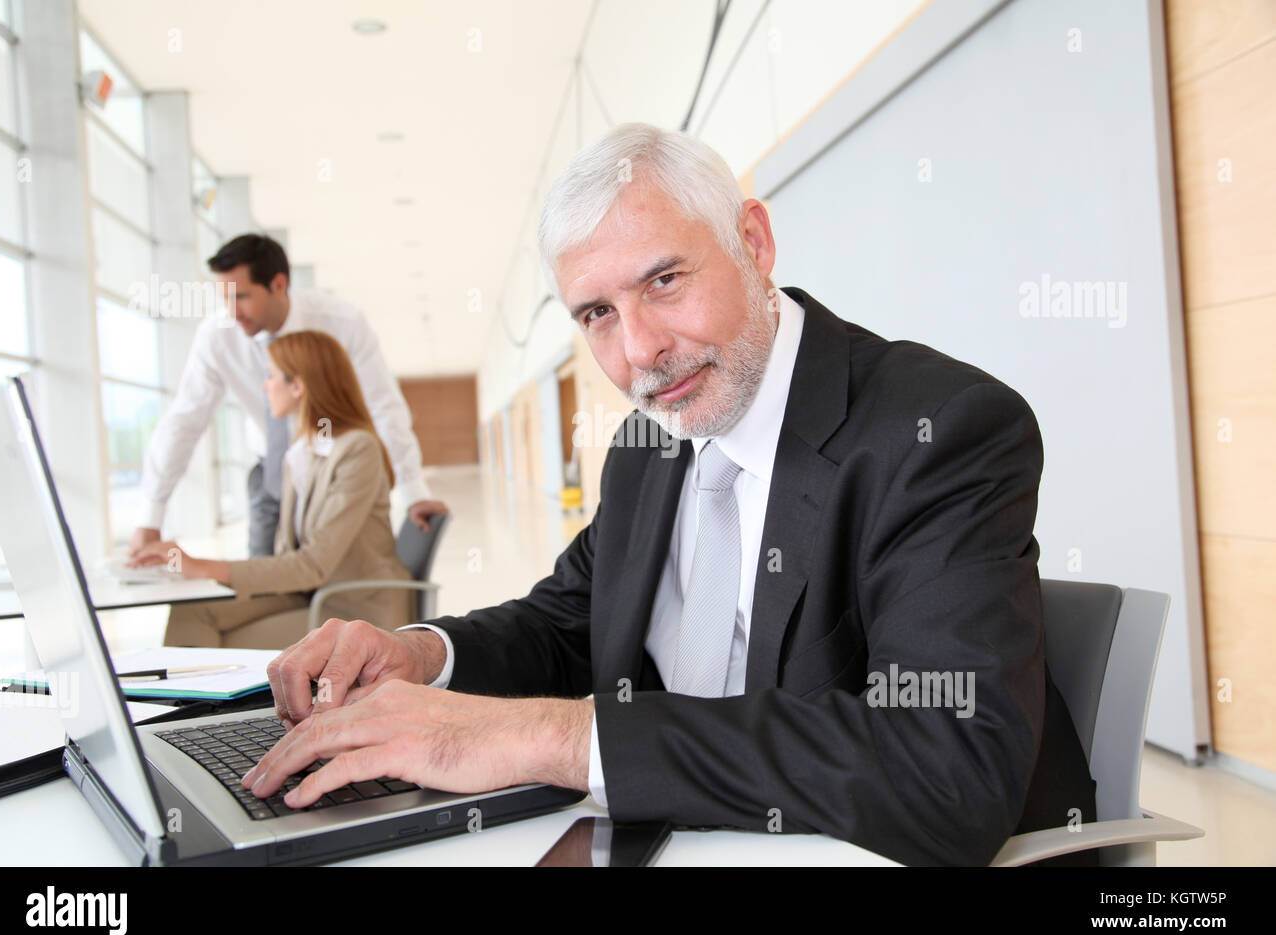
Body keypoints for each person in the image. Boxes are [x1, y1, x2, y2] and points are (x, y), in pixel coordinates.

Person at [237, 123, 1098, 867]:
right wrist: (425, 655)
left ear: (753, 244)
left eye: (662, 282)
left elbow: (948, 769)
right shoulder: (651, 443)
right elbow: (568, 621)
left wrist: (551, 737)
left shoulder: (936, 429)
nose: (640, 351)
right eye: (597, 314)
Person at [126, 234, 447, 560]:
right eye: (225, 299)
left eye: (241, 297)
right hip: (272, 473)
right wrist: (151, 515)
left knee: (330, 570)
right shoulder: (216, 337)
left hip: (334, 470)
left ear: (278, 285)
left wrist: (412, 490)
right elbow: (185, 421)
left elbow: (384, 406)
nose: (232, 312)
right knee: (263, 576)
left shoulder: (341, 322)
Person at [131, 330, 412, 648]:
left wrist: (201, 566)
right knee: (191, 612)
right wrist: (202, 570)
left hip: (352, 608)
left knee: (222, 642)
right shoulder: (301, 451)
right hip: (308, 593)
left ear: (297, 386)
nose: (265, 385)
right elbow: (289, 555)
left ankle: (202, 696)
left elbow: (314, 563)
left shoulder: (357, 449)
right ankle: (185, 698)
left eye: (271, 376)